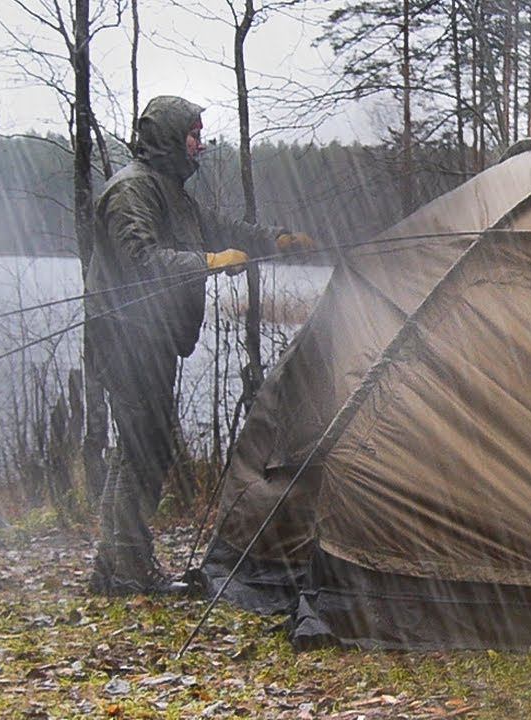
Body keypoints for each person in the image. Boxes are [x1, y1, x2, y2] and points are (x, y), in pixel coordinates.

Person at [85, 95, 316, 595]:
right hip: (126, 337)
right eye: (192, 134)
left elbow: (222, 231)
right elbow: (140, 262)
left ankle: (116, 564)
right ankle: (123, 568)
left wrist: (274, 241)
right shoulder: (132, 191)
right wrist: (208, 262)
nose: (200, 144)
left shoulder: (171, 193)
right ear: (169, 138)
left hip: (150, 337)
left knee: (143, 448)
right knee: (143, 450)